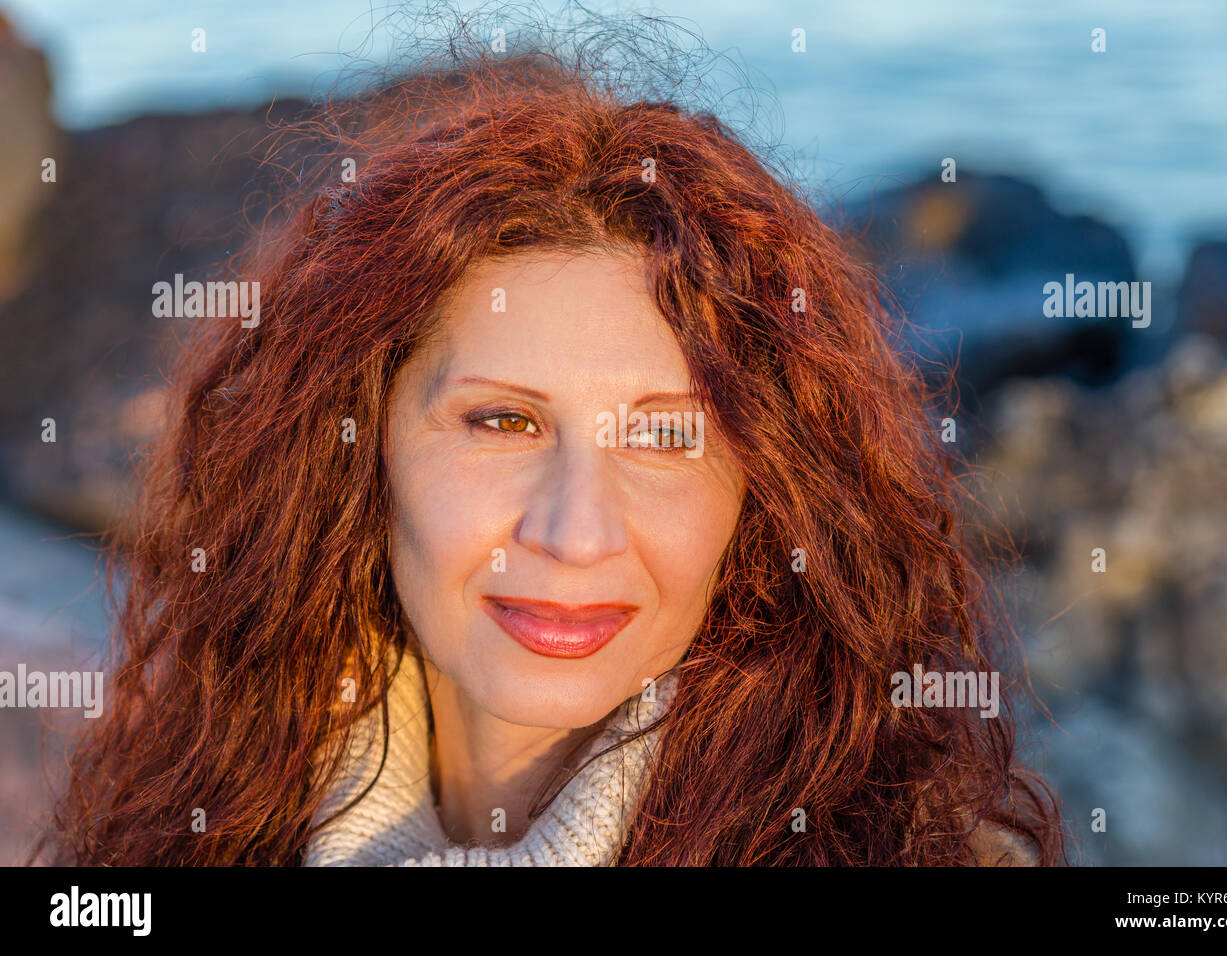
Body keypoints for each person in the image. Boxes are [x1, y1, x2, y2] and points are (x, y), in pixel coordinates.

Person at [42, 13, 1063, 866]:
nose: (575, 533)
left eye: (663, 435)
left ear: (760, 498)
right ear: (356, 450)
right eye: (504, 421)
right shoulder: (181, 826)